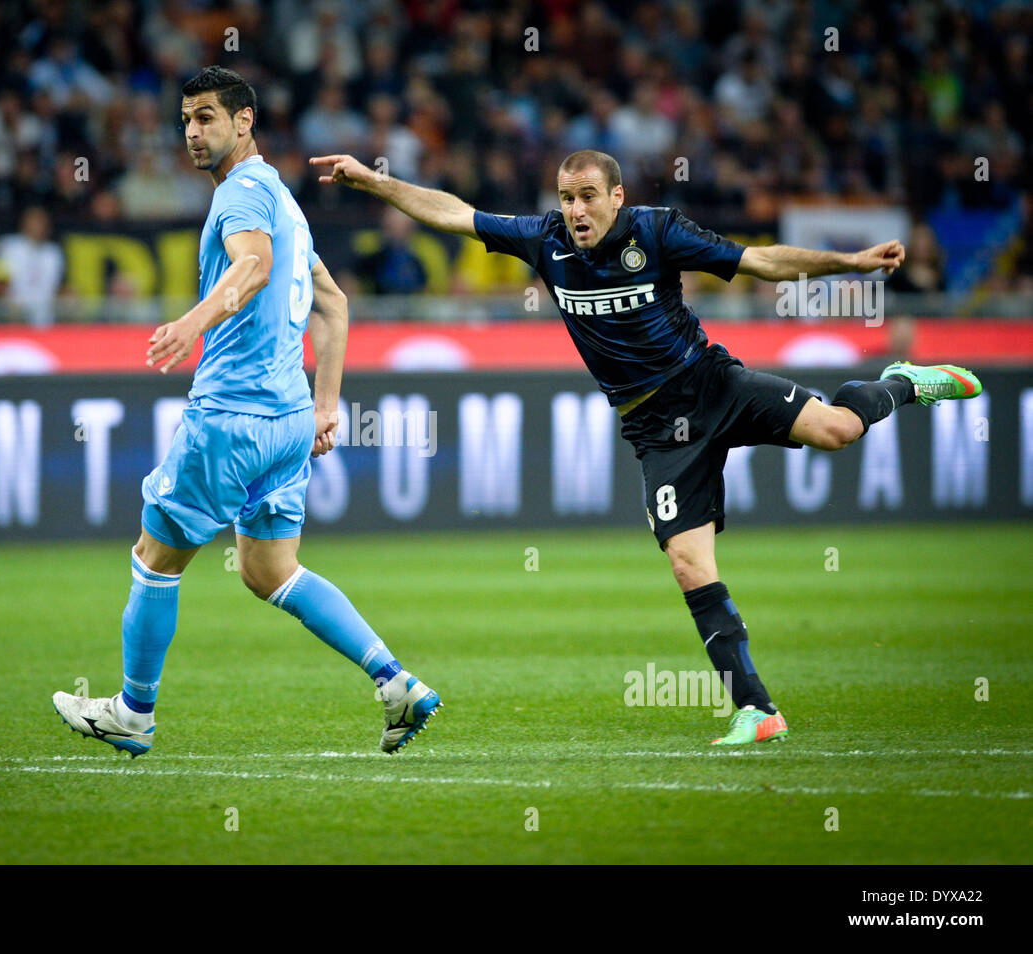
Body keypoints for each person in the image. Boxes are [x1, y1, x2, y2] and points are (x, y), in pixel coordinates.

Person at [310, 147, 982, 746]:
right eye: (566, 198)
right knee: (690, 565)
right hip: (656, 429)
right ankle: (756, 710)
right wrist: (373, 181)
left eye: (587, 197)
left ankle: (900, 383)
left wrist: (852, 263)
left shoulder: (658, 231)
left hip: (713, 384)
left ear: (617, 197)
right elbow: (454, 214)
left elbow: (762, 264)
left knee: (838, 429)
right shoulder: (543, 240)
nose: (574, 210)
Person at [53, 67, 441, 757]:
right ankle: (394, 681)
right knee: (269, 571)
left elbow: (254, 267)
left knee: (154, 559)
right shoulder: (284, 201)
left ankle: (134, 713)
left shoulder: (241, 194)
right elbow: (333, 304)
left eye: (206, 117)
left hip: (230, 417)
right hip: (287, 421)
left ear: (244, 122)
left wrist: (191, 321)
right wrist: (325, 407)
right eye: (185, 120)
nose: (192, 132)